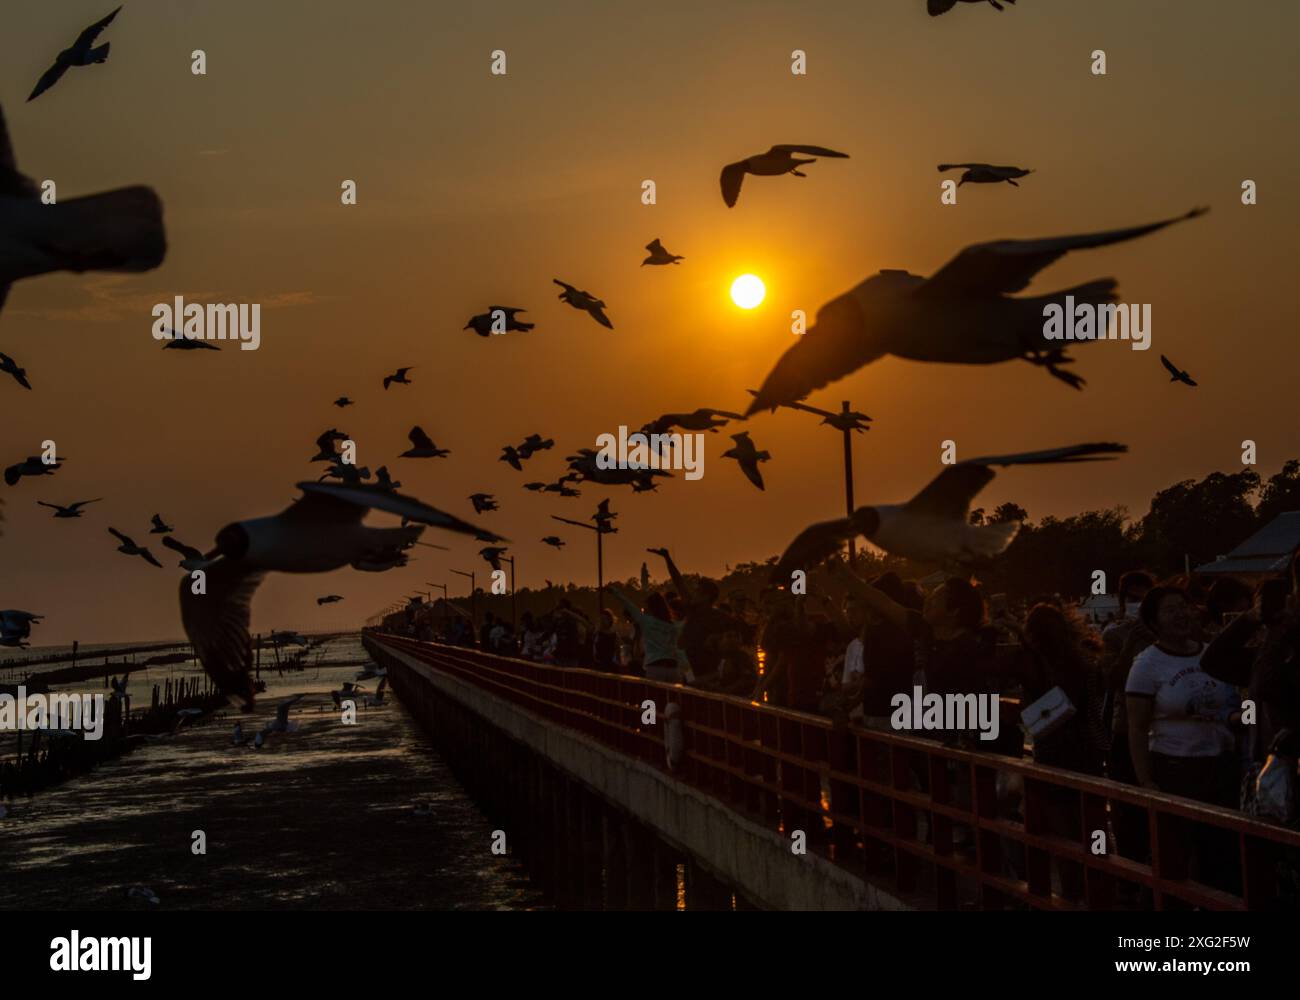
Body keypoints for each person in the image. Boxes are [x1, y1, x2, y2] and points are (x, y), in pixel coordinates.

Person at [1125, 586, 1240, 804]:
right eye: (1170, 610)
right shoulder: (1146, 665)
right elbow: (1137, 728)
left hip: (1222, 764)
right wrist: (1145, 782)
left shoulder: (1211, 653)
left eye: (1183, 607)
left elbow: (1237, 700)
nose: (1181, 614)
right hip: (1176, 768)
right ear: (1154, 622)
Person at [608, 585, 687, 683]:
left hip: (655, 667)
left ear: (651, 608)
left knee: (655, 697)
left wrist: (615, 591)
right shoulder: (673, 625)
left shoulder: (646, 622)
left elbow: (628, 604)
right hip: (673, 668)